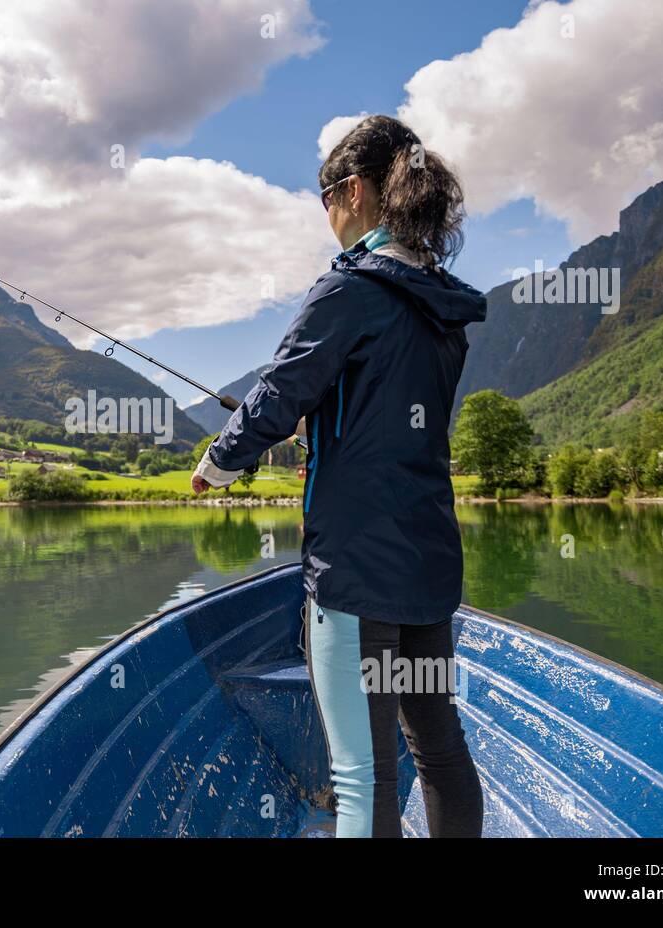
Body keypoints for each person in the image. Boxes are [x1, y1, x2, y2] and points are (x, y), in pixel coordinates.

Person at [192, 115, 486, 837]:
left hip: (354, 572)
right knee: (441, 751)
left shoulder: (348, 288)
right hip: (427, 565)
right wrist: (322, 423)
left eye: (323, 197)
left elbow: (275, 396)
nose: (325, 215)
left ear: (351, 192)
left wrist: (217, 465)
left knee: (362, 778)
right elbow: (381, 412)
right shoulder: (443, 307)